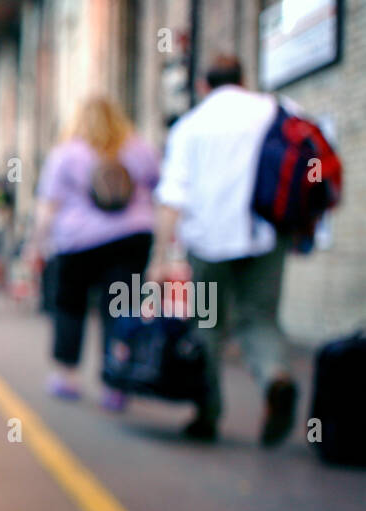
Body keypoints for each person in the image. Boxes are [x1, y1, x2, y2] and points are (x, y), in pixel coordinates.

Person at [150, 54, 298, 445]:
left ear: (203, 85)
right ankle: (275, 378)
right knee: (260, 318)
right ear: (244, 78)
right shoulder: (276, 110)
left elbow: (172, 197)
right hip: (265, 235)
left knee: (208, 326)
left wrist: (159, 258)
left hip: (207, 241)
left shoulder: (189, 127)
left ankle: (207, 414)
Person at [30, 96, 160, 409]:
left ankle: (67, 377)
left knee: (69, 306)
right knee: (119, 309)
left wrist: (36, 242)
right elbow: (160, 188)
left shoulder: (66, 153)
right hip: (132, 237)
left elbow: (48, 205)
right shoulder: (140, 148)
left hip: (77, 242)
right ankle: (115, 382)